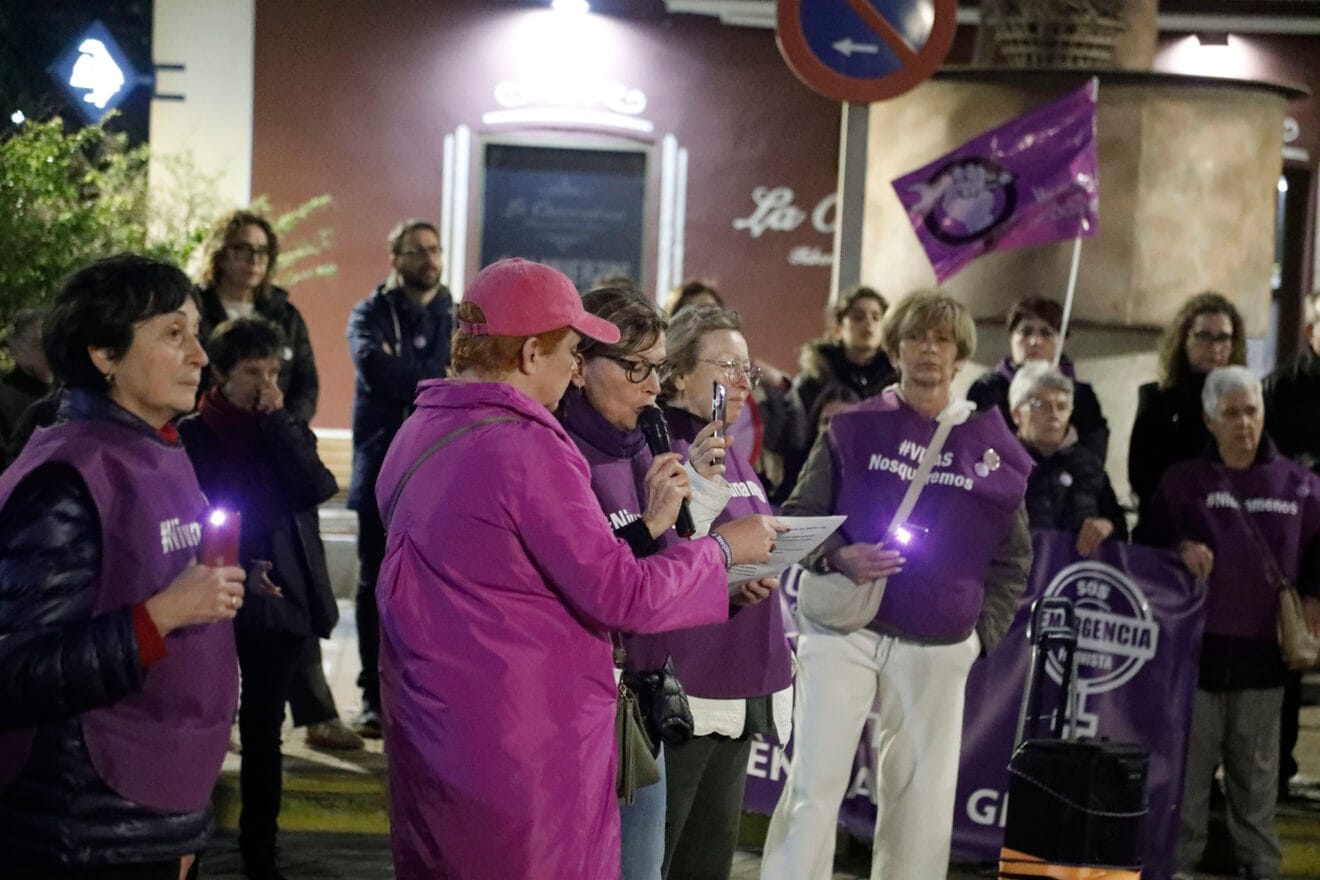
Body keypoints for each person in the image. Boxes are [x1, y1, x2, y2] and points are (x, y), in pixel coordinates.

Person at [374, 258, 782, 880]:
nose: (573, 366)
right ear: (532, 353)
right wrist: (724, 552)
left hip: (437, 737)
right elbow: (619, 592)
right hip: (528, 754)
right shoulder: (528, 446)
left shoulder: (419, 430)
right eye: (569, 349)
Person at [761, 290, 1032, 880]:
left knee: (921, 806)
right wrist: (838, 555)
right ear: (895, 349)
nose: (928, 350)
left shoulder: (990, 445)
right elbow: (800, 515)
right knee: (813, 783)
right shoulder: (855, 428)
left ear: (960, 356)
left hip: (938, 646)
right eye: (915, 337)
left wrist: (979, 637)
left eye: (941, 340)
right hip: (845, 632)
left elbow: (1014, 559)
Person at [0, 254, 245, 878]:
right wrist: (167, 613)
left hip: (156, 812)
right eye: (172, 333)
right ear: (103, 355)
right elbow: (18, 670)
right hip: (91, 827)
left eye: (196, 332)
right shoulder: (65, 479)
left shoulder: (155, 446)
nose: (200, 355)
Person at [562, 289, 777, 880]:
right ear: (576, 363)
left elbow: (666, 564)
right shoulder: (557, 452)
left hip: (644, 702)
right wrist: (696, 544)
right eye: (637, 367)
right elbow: (601, 583)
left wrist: (698, 541)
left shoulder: (647, 446)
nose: (651, 386)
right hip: (582, 709)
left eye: (656, 368)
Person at [628, 304, 793, 880]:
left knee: (709, 856)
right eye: (728, 366)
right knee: (662, 855)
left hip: (740, 679)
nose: (744, 383)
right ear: (675, 372)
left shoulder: (731, 448)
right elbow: (661, 555)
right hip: (686, 682)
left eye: (749, 370)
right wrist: (725, 579)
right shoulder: (658, 445)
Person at [1137, 366, 1320, 880]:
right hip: (1194, 660)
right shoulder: (1181, 483)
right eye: (1231, 414)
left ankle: (1262, 868)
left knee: (1256, 787)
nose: (1244, 424)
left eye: (1252, 412)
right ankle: (1180, 868)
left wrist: (1313, 597)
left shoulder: (1301, 485)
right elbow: (1145, 546)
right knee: (1187, 788)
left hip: (1264, 663)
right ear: (1209, 419)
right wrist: (1179, 548)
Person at [179, 317, 340, 880]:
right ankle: (186, 849)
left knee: (265, 728)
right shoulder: (192, 435)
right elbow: (187, 514)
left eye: (274, 371)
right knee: (202, 722)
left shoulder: (283, 428)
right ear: (220, 374)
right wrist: (238, 565)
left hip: (281, 599)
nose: (266, 384)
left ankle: (259, 850)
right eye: (253, 372)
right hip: (212, 592)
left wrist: (277, 423)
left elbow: (317, 486)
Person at [196, 208, 360, 753]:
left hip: (275, 447)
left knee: (290, 588)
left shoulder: (281, 312)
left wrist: (286, 420)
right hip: (219, 445)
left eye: (262, 251)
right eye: (243, 249)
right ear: (222, 253)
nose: (253, 261)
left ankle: (313, 712)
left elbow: (306, 378)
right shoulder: (197, 307)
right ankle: (217, 715)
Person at [345, 218, 453, 737]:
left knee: (439, 586)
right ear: (396, 259)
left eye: (434, 249)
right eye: (417, 251)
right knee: (375, 584)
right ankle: (373, 694)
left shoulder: (460, 317)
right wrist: (437, 379)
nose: (429, 259)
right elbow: (376, 370)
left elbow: (453, 372)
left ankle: (429, 695)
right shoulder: (369, 314)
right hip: (380, 468)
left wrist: (412, 376)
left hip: (447, 474)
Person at [1264, 288, 1320, 798]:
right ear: (1310, 331)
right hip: (1302, 551)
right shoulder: (1281, 389)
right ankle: (1277, 772)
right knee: (1289, 661)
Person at [1129, 292, 1246, 517]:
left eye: (1223, 338)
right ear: (1184, 339)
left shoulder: (1244, 401)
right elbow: (1141, 477)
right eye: (1204, 336)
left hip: (1227, 518)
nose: (1214, 347)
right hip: (1169, 517)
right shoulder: (1156, 397)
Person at [782, 286, 897, 501]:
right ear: (838, 327)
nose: (868, 324)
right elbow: (797, 439)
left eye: (876, 317)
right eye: (858, 317)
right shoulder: (814, 380)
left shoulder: (895, 382)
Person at [968, 296, 1108, 461]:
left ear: (1061, 340)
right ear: (1011, 337)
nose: (1035, 341)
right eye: (1025, 332)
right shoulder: (988, 389)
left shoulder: (1082, 396)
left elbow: (1093, 456)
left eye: (1046, 333)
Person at [1009, 360, 1127, 549]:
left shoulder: (1088, 465)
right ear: (1016, 414)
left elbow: (1119, 528)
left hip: (1070, 575)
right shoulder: (999, 464)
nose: (1054, 414)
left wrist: (1107, 527)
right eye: (1041, 404)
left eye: (1062, 406)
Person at [0, 308, 52, 468]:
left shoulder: (69, 393)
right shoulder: (4, 396)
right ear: (16, 350)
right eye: (39, 344)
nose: (48, 352)